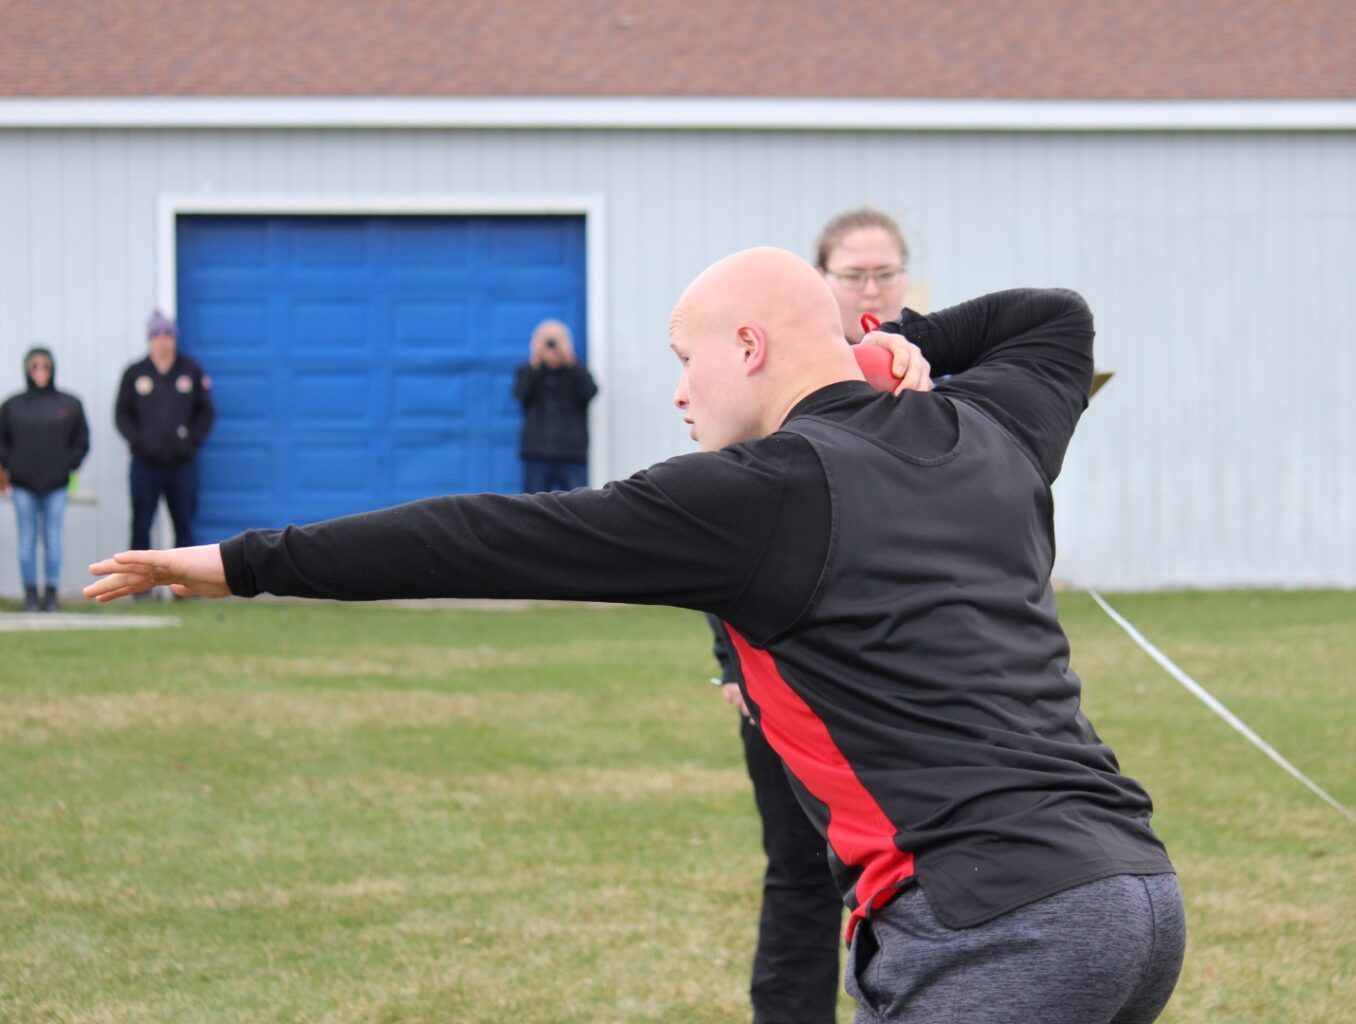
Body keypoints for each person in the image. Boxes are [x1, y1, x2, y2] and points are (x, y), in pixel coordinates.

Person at [86, 248, 1183, 1024]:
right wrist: (884, 347)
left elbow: (481, 536)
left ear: (749, 346)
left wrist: (244, 561)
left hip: (997, 925)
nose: (675, 392)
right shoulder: (989, 426)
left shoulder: (756, 496)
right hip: (1134, 895)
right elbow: (1055, 318)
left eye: (685, 356)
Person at [706, 207, 914, 1024]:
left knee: (906, 878)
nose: (872, 287)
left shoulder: (928, 379)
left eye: (886, 272)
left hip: (899, 680)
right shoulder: (780, 386)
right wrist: (733, 662)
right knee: (798, 873)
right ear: (821, 283)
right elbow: (721, 526)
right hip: (791, 678)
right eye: (854, 273)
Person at [114, 310, 215, 553]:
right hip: (145, 464)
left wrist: (190, 442)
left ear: (175, 337)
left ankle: (183, 588)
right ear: (149, 338)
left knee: (184, 526)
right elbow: (121, 415)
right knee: (141, 525)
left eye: (168, 333)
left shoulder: (190, 370)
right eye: (157, 334)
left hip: (182, 464)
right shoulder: (135, 373)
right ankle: (140, 586)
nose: (163, 339)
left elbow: (206, 413)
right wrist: (139, 441)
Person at [0, 347, 89, 612]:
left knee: (53, 538)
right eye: (35, 366)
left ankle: (50, 593)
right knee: (27, 538)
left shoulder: (68, 404)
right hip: (23, 485)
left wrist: (68, 466)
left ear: (52, 369)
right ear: (27, 370)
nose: (40, 370)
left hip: (56, 485)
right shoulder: (12, 405)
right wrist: (10, 466)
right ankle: (30, 593)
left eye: (45, 366)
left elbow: (81, 441)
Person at [512, 318, 598, 493]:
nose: (551, 347)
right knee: (532, 507)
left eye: (556, 340)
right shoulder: (528, 372)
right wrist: (535, 361)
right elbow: (520, 394)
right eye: (547, 341)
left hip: (571, 453)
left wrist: (571, 361)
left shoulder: (575, 373)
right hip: (537, 452)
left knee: (577, 504)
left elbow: (589, 392)